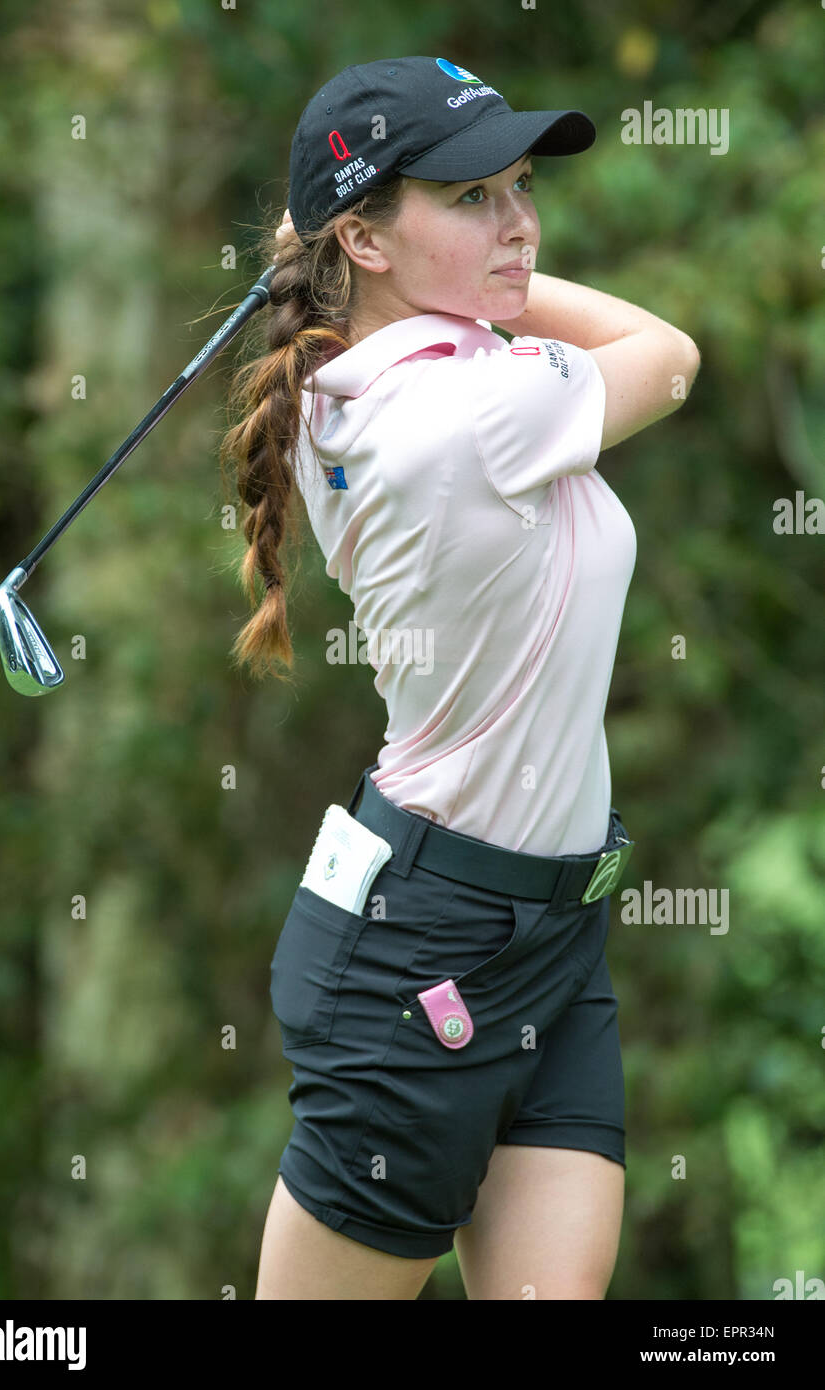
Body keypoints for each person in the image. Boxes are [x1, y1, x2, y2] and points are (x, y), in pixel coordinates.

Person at [221, 57, 700, 1300]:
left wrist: (447, 273)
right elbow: (668, 351)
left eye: (521, 184)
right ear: (364, 239)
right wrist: (503, 292)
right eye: (473, 196)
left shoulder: (373, 380)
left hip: (546, 926)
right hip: (423, 949)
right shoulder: (465, 406)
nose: (520, 223)